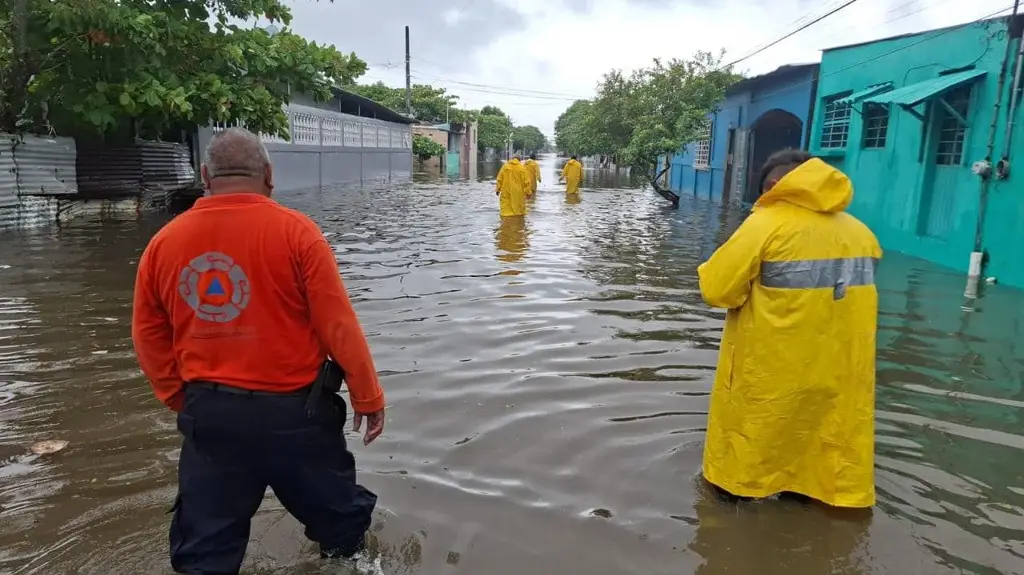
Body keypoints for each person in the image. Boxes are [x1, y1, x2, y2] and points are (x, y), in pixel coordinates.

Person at [131, 127, 387, 573]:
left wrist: (183, 400)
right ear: (269, 174)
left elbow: (148, 335)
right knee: (342, 530)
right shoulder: (297, 234)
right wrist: (367, 395)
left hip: (212, 418)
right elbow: (337, 324)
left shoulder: (163, 244)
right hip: (298, 419)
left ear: (205, 175)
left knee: (205, 551)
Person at [697, 148, 881, 509]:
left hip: (771, 367)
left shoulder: (765, 224)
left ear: (776, 184)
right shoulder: (861, 233)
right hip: (840, 369)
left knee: (747, 461)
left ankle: (735, 509)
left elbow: (717, 290)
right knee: (819, 450)